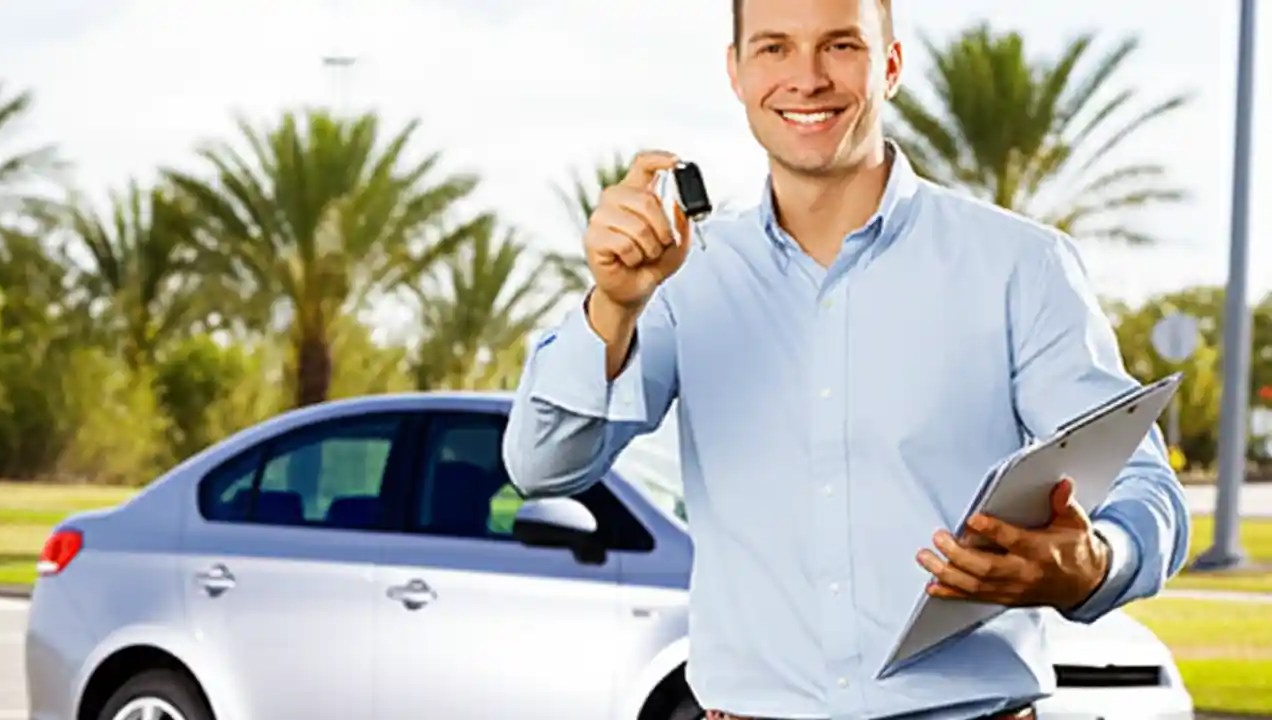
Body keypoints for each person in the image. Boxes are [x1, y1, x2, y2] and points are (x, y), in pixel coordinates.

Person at [501, 0, 1190, 717]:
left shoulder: (1022, 266)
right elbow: (542, 466)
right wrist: (611, 307)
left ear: (889, 66)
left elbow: (1145, 487)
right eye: (773, 48)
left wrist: (1092, 564)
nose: (806, 77)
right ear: (735, 72)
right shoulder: (681, 278)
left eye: (839, 45)